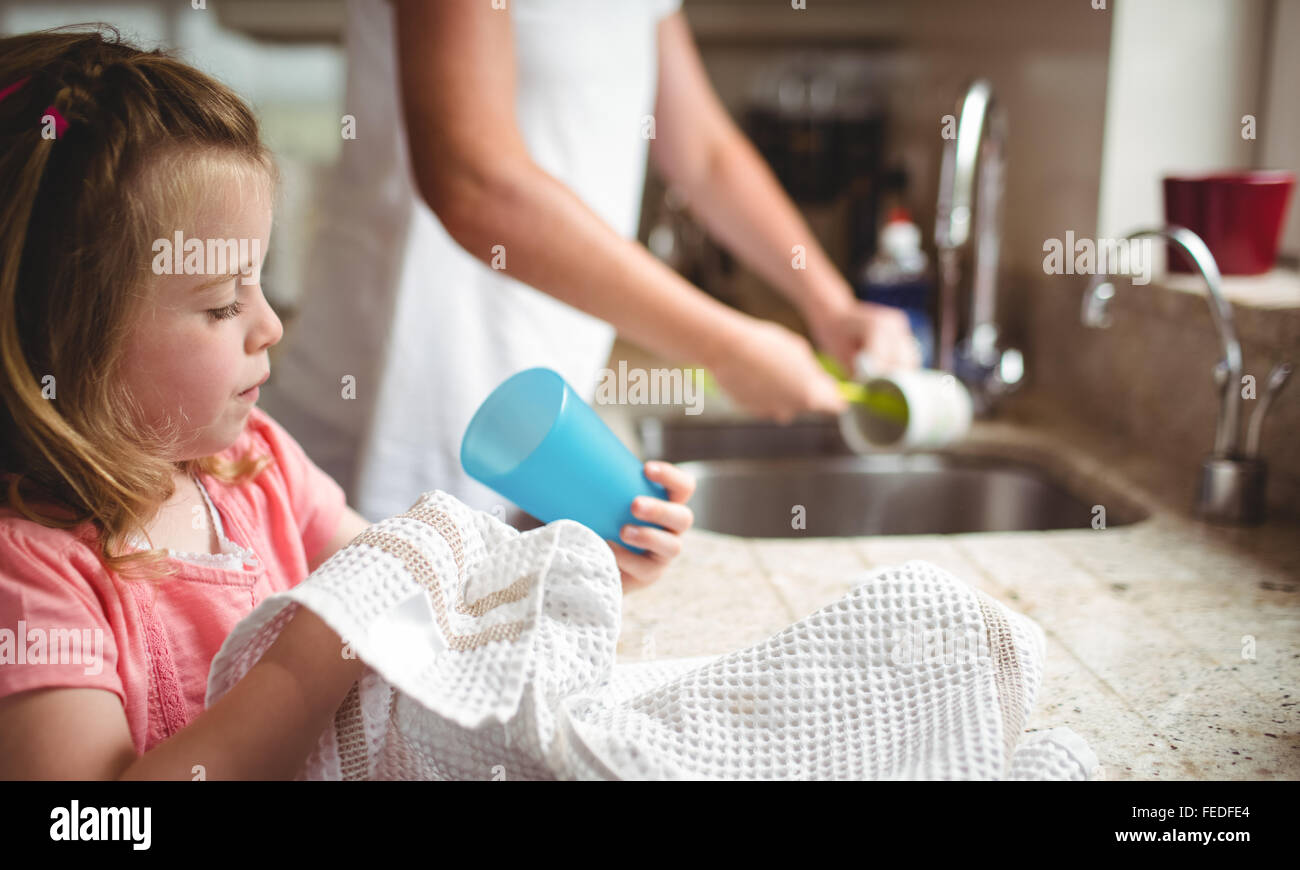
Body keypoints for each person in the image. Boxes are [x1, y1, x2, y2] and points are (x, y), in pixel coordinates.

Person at [0, 28, 693, 779]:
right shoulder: (31, 578)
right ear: (63, 334)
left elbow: (430, 600)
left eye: (258, 281)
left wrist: (575, 570)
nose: (268, 324)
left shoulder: (255, 464)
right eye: (221, 305)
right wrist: (303, 669)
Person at [261, 0, 919, 523]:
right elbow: (472, 181)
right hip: (410, 394)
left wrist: (831, 306)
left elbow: (702, 151)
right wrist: (728, 348)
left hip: (540, 402)